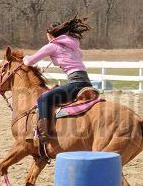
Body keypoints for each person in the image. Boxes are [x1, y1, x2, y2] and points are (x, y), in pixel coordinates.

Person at [22, 16, 93, 155]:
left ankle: (44, 135)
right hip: (86, 81)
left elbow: (29, 62)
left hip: (76, 83)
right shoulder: (73, 45)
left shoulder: (52, 45)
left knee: (43, 99)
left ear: (50, 35)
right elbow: (80, 55)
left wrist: (25, 58)